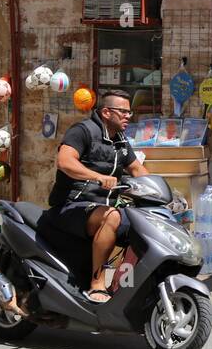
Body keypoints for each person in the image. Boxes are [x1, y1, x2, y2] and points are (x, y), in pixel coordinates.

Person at [46, 88, 150, 303]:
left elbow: (138, 171)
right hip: (71, 206)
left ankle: (126, 285)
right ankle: (97, 284)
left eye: (129, 112)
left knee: (141, 225)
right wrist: (97, 177)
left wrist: (163, 192)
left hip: (101, 209)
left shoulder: (120, 141)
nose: (128, 117)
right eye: (123, 112)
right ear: (106, 112)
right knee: (111, 216)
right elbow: (65, 162)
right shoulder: (82, 131)